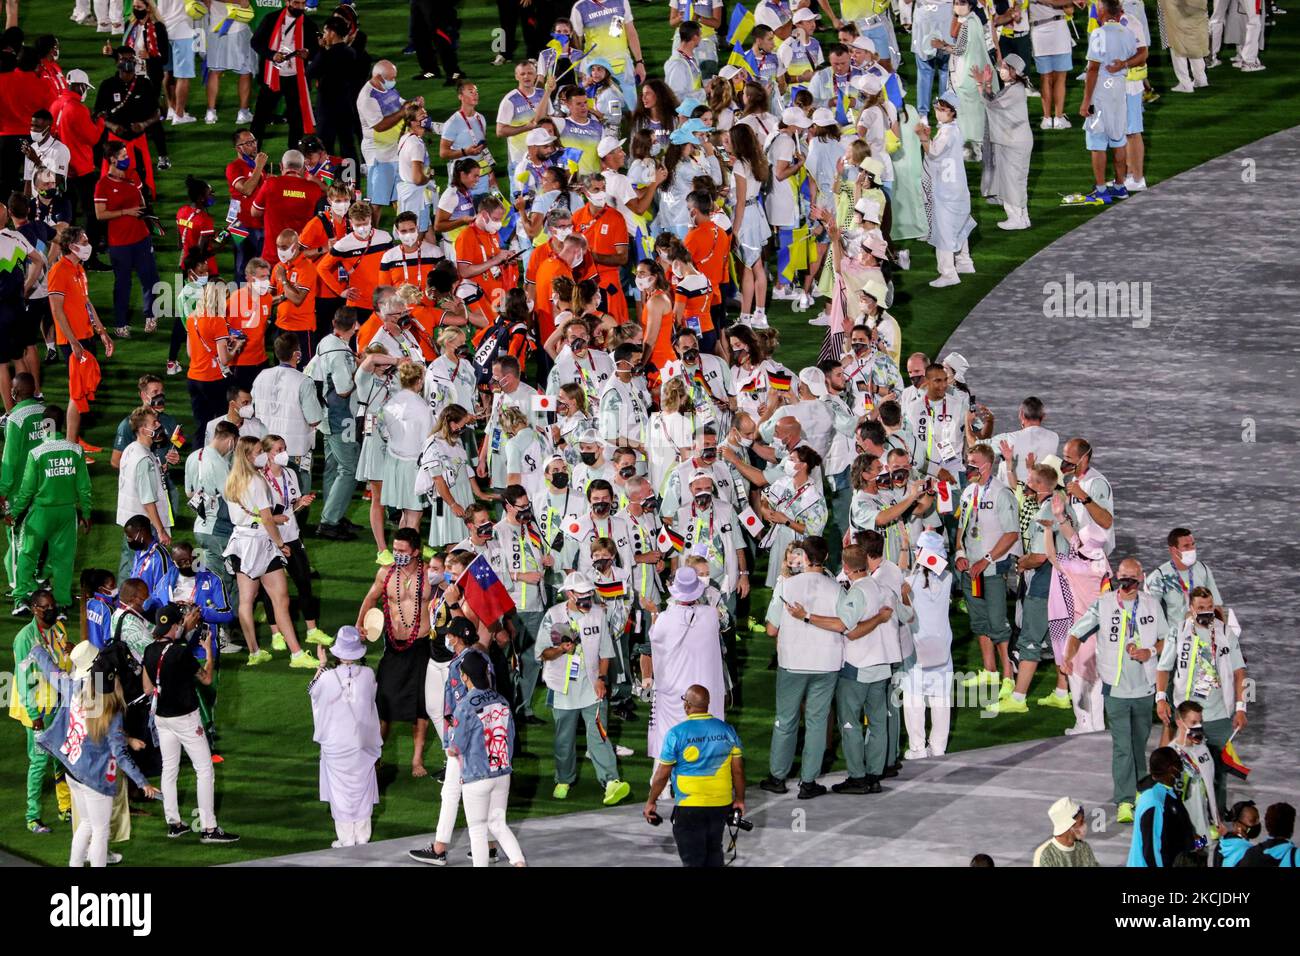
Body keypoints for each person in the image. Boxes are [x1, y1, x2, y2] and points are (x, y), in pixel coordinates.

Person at [23, 635, 160, 867]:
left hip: (72, 770)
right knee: (100, 830)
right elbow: (119, 755)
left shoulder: (74, 687)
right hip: (94, 777)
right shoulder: (113, 712)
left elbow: (52, 672)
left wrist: (38, 651)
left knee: (86, 824)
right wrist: (142, 782)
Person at [1061, 558, 1165, 824]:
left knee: (1139, 743)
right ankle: (1124, 801)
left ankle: (1141, 790)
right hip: (1115, 689)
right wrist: (1068, 656)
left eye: (1132, 577)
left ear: (1141, 577)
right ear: (1117, 576)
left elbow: (1168, 640)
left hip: (1144, 688)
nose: (1127, 582)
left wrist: (1150, 651)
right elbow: (1076, 633)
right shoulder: (1104, 604)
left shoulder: (1152, 605)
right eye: (1123, 576)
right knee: (1122, 747)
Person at [144, 602, 238, 844]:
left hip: (162, 718)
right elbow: (206, 679)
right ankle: (209, 828)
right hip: (186, 719)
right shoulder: (181, 652)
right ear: (175, 626)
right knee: (205, 769)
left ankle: (174, 823)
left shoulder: (149, 651)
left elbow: (147, 688)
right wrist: (208, 651)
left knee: (169, 768)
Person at [536, 572, 632, 805]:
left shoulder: (598, 614)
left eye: (590, 594)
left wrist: (601, 678)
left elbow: (606, 652)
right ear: (569, 594)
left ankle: (611, 782)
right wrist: (561, 650)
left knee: (599, 734)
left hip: (592, 687)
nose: (588, 599)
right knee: (564, 740)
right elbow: (541, 653)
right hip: (562, 688)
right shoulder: (553, 616)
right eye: (582, 595)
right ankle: (564, 779)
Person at [222, 435, 315, 668]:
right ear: (248, 455)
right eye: (257, 451)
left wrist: (271, 519)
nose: (261, 454)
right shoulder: (256, 481)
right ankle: (296, 654)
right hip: (262, 543)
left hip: (241, 543)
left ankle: (255, 651)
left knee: (246, 600)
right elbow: (265, 518)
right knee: (280, 599)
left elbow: (249, 515)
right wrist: (281, 545)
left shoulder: (232, 479)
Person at [760, 536, 843, 800]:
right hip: (827, 663)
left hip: (793, 662)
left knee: (785, 720)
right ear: (826, 558)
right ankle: (808, 782)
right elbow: (844, 624)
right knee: (818, 722)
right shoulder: (837, 588)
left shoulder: (786, 585)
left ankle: (777, 777)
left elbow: (771, 629)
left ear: (804, 557)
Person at [1156, 586, 1247, 812]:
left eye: (1209, 607)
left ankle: (1216, 815)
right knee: (1182, 767)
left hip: (1218, 715)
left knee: (1217, 769)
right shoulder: (1178, 632)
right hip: (1188, 716)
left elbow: (1239, 673)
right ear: (1191, 608)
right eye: (1200, 608)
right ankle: (1182, 813)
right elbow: (1163, 668)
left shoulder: (1226, 633)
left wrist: (1241, 707)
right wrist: (1160, 698)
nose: (1205, 612)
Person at [354, 527, 433, 778]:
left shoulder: (430, 574)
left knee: (420, 706)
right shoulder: (385, 573)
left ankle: (417, 760)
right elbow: (370, 600)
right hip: (394, 647)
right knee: (383, 704)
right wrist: (360, 623)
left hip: (422, 646)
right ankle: (375, 756)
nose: (396, 554)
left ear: (416, 552)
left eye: (402, 550)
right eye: (394, 549)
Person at [643, 684, 745, 868]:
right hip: (721, 804)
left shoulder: (676, 734)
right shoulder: (728, 731)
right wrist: (739, 799)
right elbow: (737, 771)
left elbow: (661, 775)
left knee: (693, 859)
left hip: (690, 807)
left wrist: (651, 801)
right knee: (714, 851)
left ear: (687, 706)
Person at [8, 406, 92, 618]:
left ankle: (21, 598)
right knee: (63, 560)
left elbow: (27, 490)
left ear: (46, 426)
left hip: (41, 513)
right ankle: (61, 604)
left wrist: (15, 513)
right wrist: (87, 513)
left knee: (27, 554)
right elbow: (84, 487)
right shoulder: (76, 450)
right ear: (61, 425)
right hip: (66, 514)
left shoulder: (36, 453)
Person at [449, 650, 527, 867]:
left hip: (476, 777)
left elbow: (456, 746)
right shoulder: (502, 700)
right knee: (499, 825)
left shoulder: (464, 706)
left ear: (464, 677)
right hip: (502, 773)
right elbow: (510, 737)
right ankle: (519, 863)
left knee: (477, 831)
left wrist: (450, 745)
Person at [954, 444, 1021, 697]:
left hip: (992, 569)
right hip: (971, 570)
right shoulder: (968, 492)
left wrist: (987, 559)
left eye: (973, 463)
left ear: (988, 465)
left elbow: (1012, 533)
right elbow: (962, 526)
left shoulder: (1002, 494)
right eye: (967, 461)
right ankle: (989, 671)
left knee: (998, 624)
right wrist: (960, 553)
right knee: (979, 621)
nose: (968, 467)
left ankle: (1008, 676)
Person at [643, 566, 728, 759]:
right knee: (705, 742)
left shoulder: (665, 619)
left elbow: (654, 638)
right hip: (704, 691)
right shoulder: (711, 615)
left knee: (668, 741)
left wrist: (654, 613)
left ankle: (664, 788)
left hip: (675, 692)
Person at [309, 625, 382, 849]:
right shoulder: (368, 674)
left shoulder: (328, 678)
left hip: (336, 744)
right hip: (362, 743)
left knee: (340, 791)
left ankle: (346, 838)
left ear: (337, 653)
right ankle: (362, 836)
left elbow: (312, 691)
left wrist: (321, 665)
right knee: (362, 788)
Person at [9, 589, 73, 834]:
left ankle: (65, 807)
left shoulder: (58, 630)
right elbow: (23, 679)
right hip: (37, 710)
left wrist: (69, 652)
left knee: (62, 758)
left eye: (53, 604)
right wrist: (34, 715)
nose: (51, 609)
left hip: (57, 706)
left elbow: (63, 667)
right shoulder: (25, 638)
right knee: (39, 763)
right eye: (45, 606)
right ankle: (32, 817)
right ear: (35, 608)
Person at [1076, 0, 1140, 205]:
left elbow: (1093, 69)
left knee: (1097, 142)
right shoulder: (1127, 32)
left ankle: (1102, 189)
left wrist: (1086, 101)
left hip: (1101, 91)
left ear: (1102, 11)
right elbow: (1137, 54)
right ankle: (1120, 187)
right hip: (1119, 90)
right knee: (1118, 139)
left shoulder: (1098, 34)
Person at [94, 140, 159, 337]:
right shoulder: (103, 185)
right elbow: (100, 214)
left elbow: (141, 200)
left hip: (141, 237)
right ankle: (121, 323)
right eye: (123, 156)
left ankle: (151, 316)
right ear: (112, 159)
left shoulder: (133, 175)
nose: (127, 159)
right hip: (120, 243)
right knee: (123, 284)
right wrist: (126, 212)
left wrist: (143, 211)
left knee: (150, 278)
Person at [900, 530, 954, 758]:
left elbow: (904, 609)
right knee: (941, 699)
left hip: (917, 649)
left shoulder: (908, 582)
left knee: (914, 700)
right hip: (942, 648)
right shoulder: (948, 578)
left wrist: (905, 545)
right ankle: (938, 747)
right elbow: (939, 568)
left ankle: (917, 748)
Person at [251, 332, 323, 492]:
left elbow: (254, 409)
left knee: (268, 495)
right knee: (297, 497)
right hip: (294, 450)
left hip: (266, 448)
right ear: (296, 354)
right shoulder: (303, 381)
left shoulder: (261, 376)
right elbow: (314, 419)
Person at [916, 98, 975, 287]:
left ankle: (948, 273)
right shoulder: (953, 129)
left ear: (953, 112)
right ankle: (965, 262)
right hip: (957, 188)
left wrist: (924, 138)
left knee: (944, 232)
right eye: (937, 108)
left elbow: (932, 153)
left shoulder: (947, 132)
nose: (938, 112)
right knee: (959, 225)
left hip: (946, 190)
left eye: (943, 109)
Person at [249, 0, 320, 152]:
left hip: (296, 78)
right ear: (287, 2)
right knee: (260, 119)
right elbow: (255, 42)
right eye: (296, 3)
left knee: (296, 121)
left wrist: (308, 53)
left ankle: (293, 159)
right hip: (272, 76)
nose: (300, 7)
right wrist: (272, 55)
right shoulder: (271, 19)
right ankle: (252, 158)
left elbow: (316, 48)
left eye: (302, 3)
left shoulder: (309, 24)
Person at [976, 54, 1033, 230]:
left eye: (1005, 67)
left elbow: (991, 103)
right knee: (1017, 180)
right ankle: (1023, 217)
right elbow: (995, 101)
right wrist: (985, 84)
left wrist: (981, 84)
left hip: (1013, 142)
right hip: (1015, 140)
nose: (1001, 70)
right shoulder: (1013, 88)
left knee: (1012, 181)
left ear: (1014, 71)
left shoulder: (1014, 90)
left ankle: (1017, 218)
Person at [1144, 527, 1223, 637]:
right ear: (1173, 550)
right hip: (1176, 640)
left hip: (1204, 636)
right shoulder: (1158, 577)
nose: (1192, 549)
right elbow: (1150, 614)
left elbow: (1217, 607)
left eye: (1193, 544)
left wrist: (1221, 635)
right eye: (1186, 546)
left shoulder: (1203, 569)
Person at [1127, 746, 1197, 867]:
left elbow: (1184, 838)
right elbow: (1151, 852)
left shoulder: (1169, 792)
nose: (1181, 767)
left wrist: (1203, 842)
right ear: (1171, 769)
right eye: (1178, 762)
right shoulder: (1154, 801)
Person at [250, 149, 324, 262]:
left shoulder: (270, 184)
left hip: (272, 256)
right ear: (303, 167)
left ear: (281, 166)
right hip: (301, 259)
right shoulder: (314, 189)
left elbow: (254, 213)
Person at [1033, 797, 1100, 867]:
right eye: (1081, 821)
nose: (1084, 824)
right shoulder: (1046, 854)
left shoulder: (1084, 848)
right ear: (1069, 826)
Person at [1214, 800, 1260, 867]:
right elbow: (1195, 844)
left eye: (1257, 820)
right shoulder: (1246, 851)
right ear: (1238, 824)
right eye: (1253, 820)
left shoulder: (1224, 842)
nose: (1257, 824)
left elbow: (1197, 844)